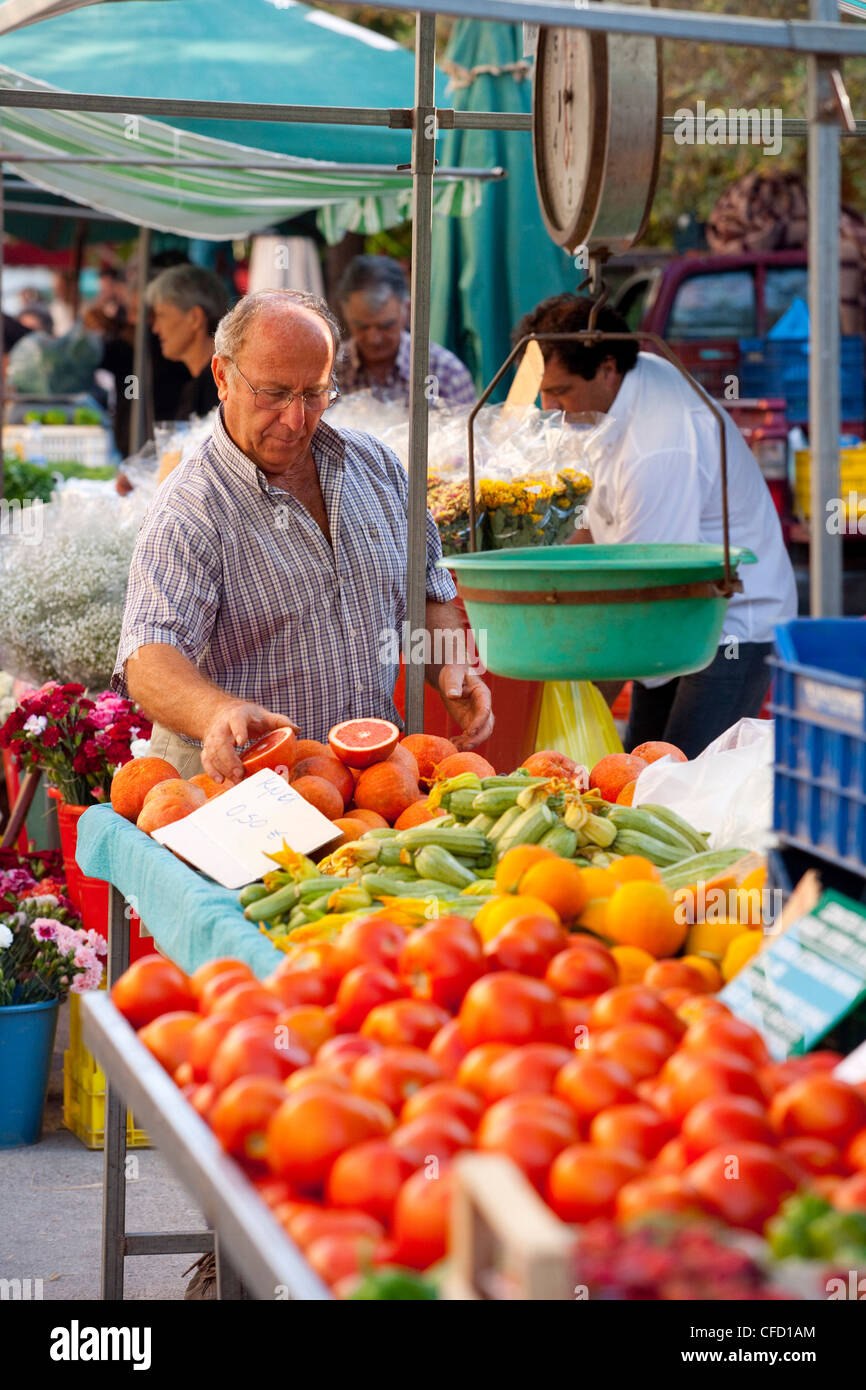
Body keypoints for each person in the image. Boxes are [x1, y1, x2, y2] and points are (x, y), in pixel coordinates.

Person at [112, 288, 494, 783]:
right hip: (245, 788)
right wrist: (217, 713)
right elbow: (148, 653)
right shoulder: (190, 507)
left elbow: (427, 591)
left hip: (369, 780)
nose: (295, 420)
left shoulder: (377, 466)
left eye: (314, 394)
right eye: (273, 393)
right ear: (223, 377)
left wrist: (449, 667)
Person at [513, 294, 798, 758]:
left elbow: (641, 589)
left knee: (682, 779)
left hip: (727, 621)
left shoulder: (659, 446)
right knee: (640, 771)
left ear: (606, 368)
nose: (551, 406)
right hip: (673, 613)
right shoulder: (626, 382)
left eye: (561, 391)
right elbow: (596, 523)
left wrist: (583, 694)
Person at [336, 254, 476, 407]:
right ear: (345, 313)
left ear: (407, 309)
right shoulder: (330, 371)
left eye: (385, 326)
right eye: (361, 326)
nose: (373, 338)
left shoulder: (445, 372)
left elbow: (466, 430)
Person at [144, 264, 229, 421]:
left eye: (162, 315)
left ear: (195, 318)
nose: (155, 328)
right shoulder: (199, 386)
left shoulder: (222, 387)